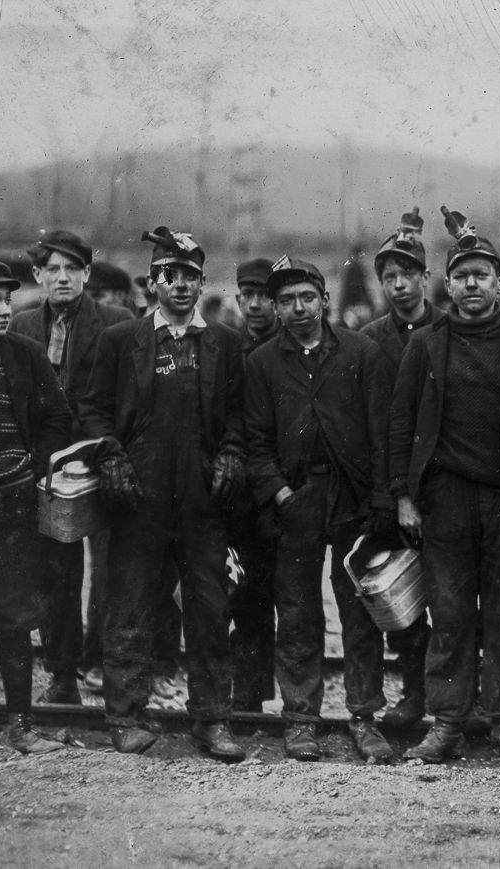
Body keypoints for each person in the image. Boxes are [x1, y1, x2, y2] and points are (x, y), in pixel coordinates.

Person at [79, 227, 246, 760]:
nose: (179, 285)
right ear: (152, 284)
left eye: (190, 277)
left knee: (209, 609)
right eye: (168, 276)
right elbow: (93, 408)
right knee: (128, 607)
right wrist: (110, 455)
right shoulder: (120, 340)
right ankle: (124, 717)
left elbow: (240, 417)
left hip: (202, 503)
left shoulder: (223, 343)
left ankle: (213, 722)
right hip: (138, 499)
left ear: (201, 283)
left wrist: (231, 454)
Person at [388, 207, 500, 765]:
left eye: (483, 275)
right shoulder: (425, 346)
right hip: (445, 499)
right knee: (450, 614)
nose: (472, 284)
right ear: (447, 283)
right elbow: (401, 427)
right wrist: (404, 495)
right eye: (462, 275)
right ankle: (448, 723)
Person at [245, 256, 396, 762]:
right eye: (286, 300)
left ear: (325, 300)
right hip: (297, 501)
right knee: (297, 611)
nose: (298, 307)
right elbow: (256, 440)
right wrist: (280, 494)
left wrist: (380, 499)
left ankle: (364, 716)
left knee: (359, 612)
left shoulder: (362, 353)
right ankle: (301, 719)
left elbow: (381, 433)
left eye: (307, 297)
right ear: (274, 307)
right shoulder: (263, 362)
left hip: (352, 500)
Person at [10, 231, 132, 705]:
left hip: (102, 461)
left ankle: (107, 665)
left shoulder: (116, 323)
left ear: (86, 273)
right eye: (53, 270)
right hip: (46, 468)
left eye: (72, 269)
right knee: (57, 572)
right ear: (38, 276)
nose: (63, 278)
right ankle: (63, 674)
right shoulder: (19, 325)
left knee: (111, 570)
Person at [0, 257, 72, 753]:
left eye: (7, 300)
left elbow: (58, 417)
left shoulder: (25, 355)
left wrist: (35, 469)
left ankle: (21, 724)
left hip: (7, 507)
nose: (5, 310)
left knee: (12, 617)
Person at [358, 208, 440, 729]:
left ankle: (460, 700)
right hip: (391, 488)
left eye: (406, 274)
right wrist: (389, 494)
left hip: (442, 486)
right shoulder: (369, 341)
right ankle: (413, 695)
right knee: (401, 599)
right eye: (388, 277)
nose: (397, 284)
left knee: (455, 602)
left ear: (425, 278)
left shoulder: (449, 331)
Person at [226, 257, 280, 713]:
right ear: (239, 299)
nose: (257, 305)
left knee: (281, 596)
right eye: (249, 296)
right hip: (237, 494)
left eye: (265, 295)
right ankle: (244, 693)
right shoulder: (227, 348)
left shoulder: (286, 349)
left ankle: (271, 691)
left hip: (279, 491)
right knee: (242, 594)